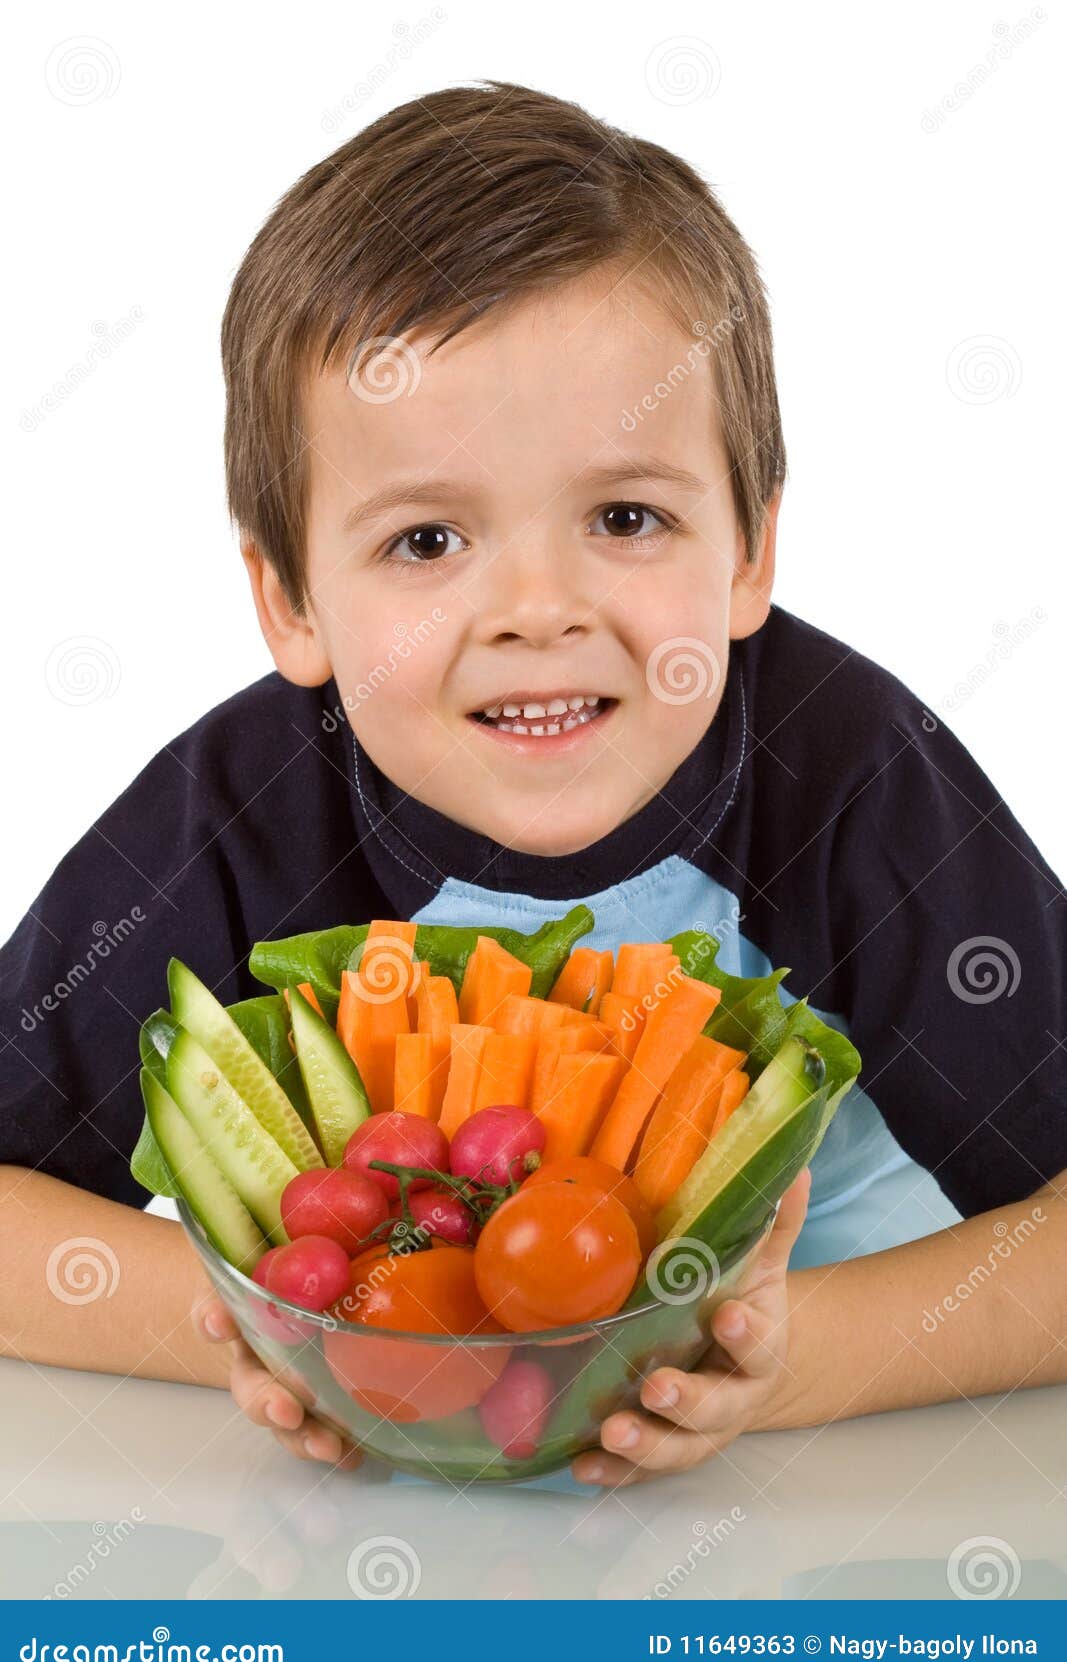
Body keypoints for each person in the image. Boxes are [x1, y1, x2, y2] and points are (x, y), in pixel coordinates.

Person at [2, 83, 1063, 1488]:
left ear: (748, 550)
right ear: (291, 602)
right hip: (366, 1519)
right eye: (429, 537)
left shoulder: (850, 770)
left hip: (832, 1490)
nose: (538, 606)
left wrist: (787, 1365)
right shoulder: (239, 807)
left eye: (627, 517)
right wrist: (274, 1339)